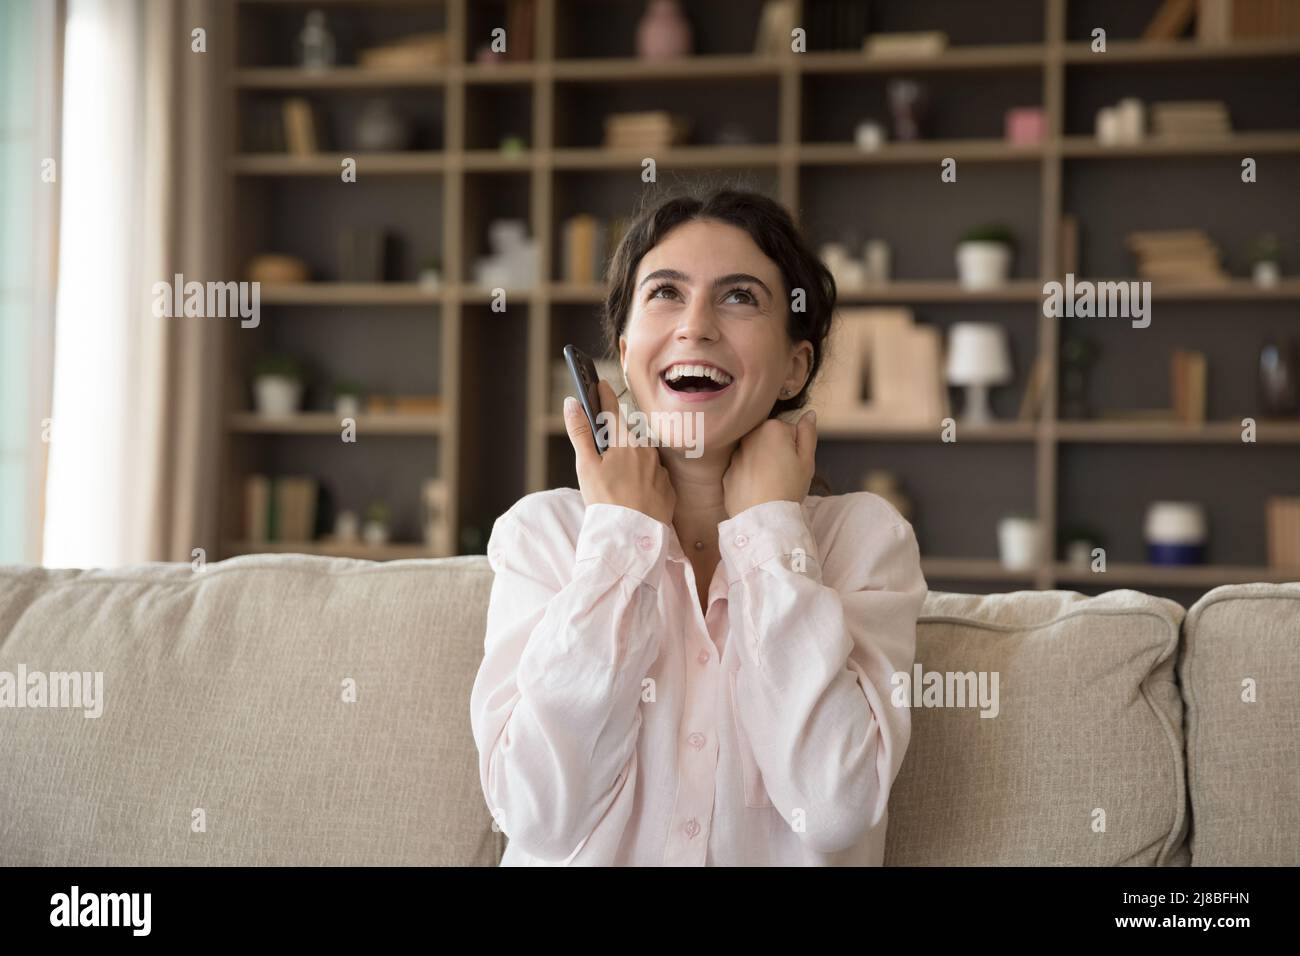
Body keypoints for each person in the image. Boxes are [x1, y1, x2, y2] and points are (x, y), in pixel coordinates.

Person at [469, 187, 927, 865]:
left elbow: (834, 808)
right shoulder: (546, 538)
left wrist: (771, 532)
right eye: (665, 293)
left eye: (740, 296)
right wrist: (620, 538)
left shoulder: (864, 541)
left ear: (795, 364)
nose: (696, 326)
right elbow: (537, 814)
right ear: (626, 355)